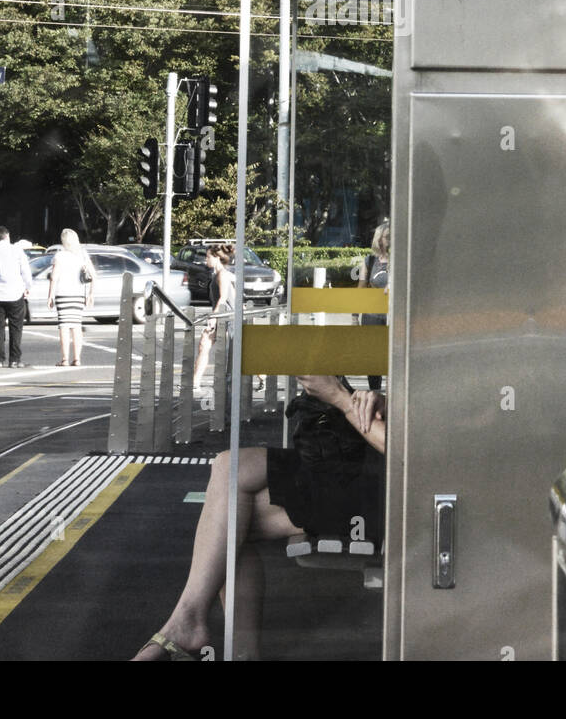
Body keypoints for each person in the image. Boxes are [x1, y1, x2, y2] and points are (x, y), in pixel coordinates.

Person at [133, 375, 385, 661]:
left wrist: (339, 397)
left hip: (392, 495)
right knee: (229, 474)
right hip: (373, 472)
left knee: (231, 520)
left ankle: (195, 629)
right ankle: (191, 625)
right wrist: (381, 404)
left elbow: (410, 451)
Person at [0, 225, 33, 368]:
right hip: (15, 293)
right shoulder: (17, 251)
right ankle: (14, 359)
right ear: (7, 236)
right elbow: (25, 272)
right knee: (16, 327)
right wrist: (27, 287)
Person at [193, 244, 237, 390]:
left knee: (237, 354)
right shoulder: (218, 274)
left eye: (208, 256)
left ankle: (262, 377)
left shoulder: (223, 274)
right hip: (220, 316)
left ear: (217, 258)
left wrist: (213, 317)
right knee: (203, 345)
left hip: (227, 318)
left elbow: (223, 297)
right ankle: (195, 383)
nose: (206, 260)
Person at [49, 228, 95, 367]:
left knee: (64, 326)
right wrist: (91, 294)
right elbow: (94, 275)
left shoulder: (60, 256)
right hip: (78, 294)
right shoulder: (82, 255)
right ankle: (77, 359)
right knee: (76, 326)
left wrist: (50, 295)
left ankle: (64, 359)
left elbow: (54, 277)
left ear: (63, 241)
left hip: (62, 294)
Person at [358, 220, 389, 390]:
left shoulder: (400, 260)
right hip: (372, 317)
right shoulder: (369, 261)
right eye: (386, 237)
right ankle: (375, 392)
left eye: (392, 237)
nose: (389, 240)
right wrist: (355, 316)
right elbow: (361, 290)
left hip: (392, 315)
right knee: (373, 358)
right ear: (379, 240)